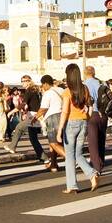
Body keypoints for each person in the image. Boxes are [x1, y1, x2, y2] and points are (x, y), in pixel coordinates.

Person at [57, 64, 99, 194]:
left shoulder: (67, 91)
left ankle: (72, 185)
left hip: (70, 124)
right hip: (83, 122)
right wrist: (86, 116)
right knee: (78, 153)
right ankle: (92, 174)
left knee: (69, 156)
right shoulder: (84, 88)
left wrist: (59, 131)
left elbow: (64, 112)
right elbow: (91, 106)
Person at [4, 74, 45, 161]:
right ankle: (44, 158)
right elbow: (32, 103)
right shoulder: (34, 90)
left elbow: (23, 104)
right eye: (21, 81)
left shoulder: (29, 90)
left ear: (28, 81)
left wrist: (12, 112)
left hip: (33, 115)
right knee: (33, 139)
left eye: (23, 81)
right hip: (34, 114)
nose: (22, 83)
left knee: (19, 127)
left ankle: (12, 146)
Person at [38, 74, 65, 171]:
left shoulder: (48, 93)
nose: (42, 87)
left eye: (42, 85)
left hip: (52, 119)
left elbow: (43, 108)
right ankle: (54, 164)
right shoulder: (61, 90)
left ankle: (72, 160)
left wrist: (35, 118)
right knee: (53, 143)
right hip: (63, 117)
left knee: (53, 143)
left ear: (45, 84)